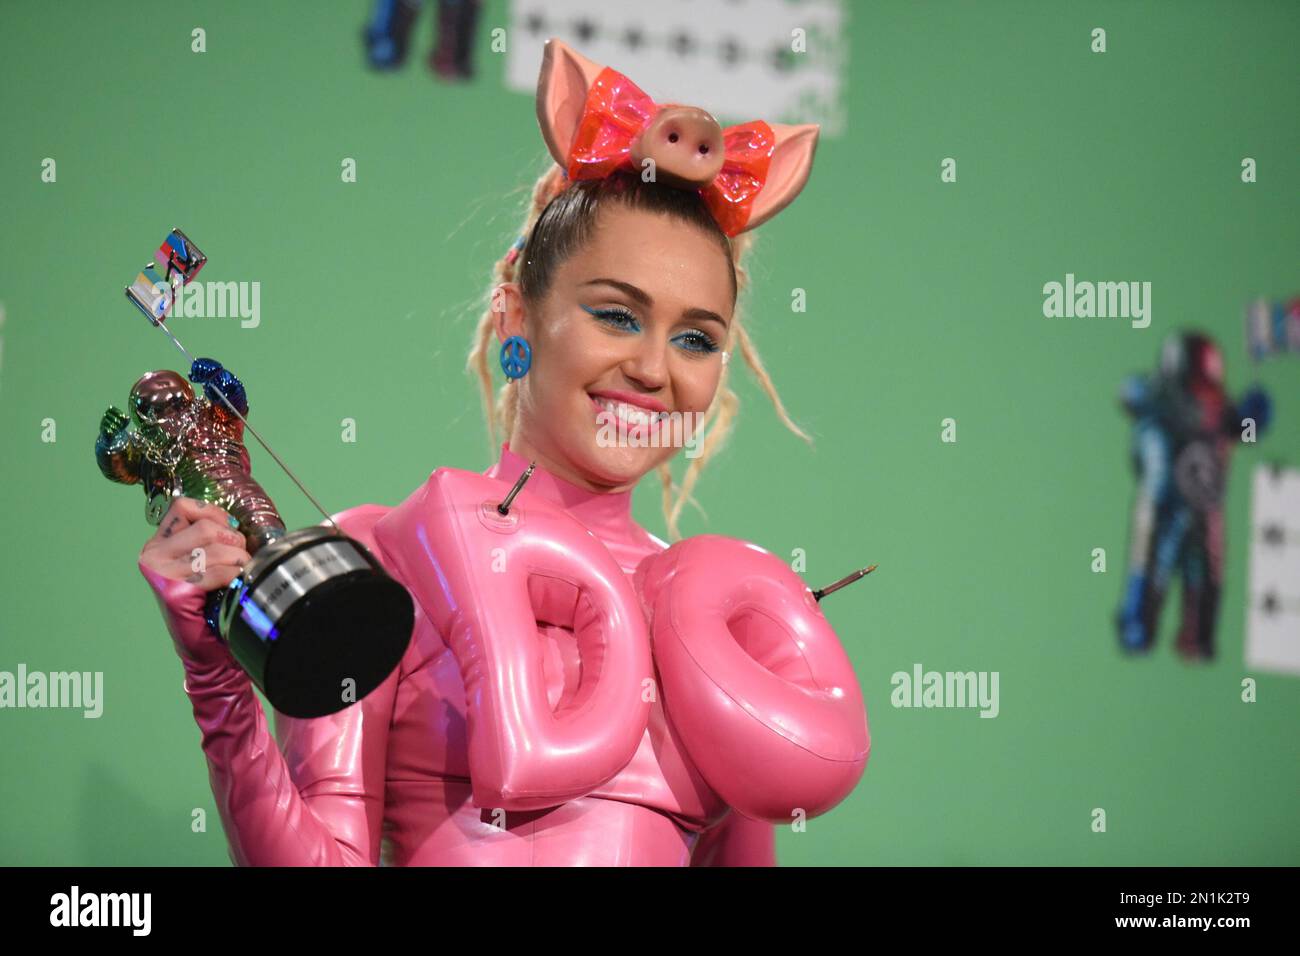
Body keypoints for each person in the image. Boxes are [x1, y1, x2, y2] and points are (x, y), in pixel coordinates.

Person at [137, 38, 869, 866]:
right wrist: (218, 682)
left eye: (696, 339)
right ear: (517, 318)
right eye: (617, 316)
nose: (653, 369)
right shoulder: (380, 561)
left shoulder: (719, 621)